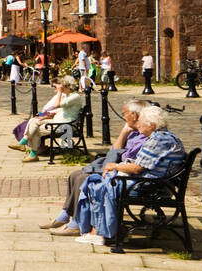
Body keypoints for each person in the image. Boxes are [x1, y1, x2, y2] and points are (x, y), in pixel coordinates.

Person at [75, 105, 186, 246]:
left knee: (98, 185)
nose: (138, 124)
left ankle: (100, 233)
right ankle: (111, 230)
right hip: (155, 183)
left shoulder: (158, 140)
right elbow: (141, 164)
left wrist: (115, 166)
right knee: (99, 181)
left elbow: (137, 168)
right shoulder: (163, 137)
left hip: (149, 187)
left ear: (151, 125)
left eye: (140, 121)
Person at [42, 100, 148, 235]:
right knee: (75, 174)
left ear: (133, 115)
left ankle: (76, 224)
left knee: (83, 178)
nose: (123, 116)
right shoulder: (133, 131)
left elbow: (117, 157)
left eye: (124, 113)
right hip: (115, 167)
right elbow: (113, 151)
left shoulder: (143, 135)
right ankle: (64, 216)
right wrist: (124, 131)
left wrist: (114, 162)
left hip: (121, 172)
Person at [12, 75, 83, 162]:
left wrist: (60, 92)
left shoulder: (74, 97)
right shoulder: (69, 95)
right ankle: (22, 143)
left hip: (64, 125)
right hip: (58, 121)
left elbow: (57, 105)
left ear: (68, 86)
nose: (61, 88)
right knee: (34, 120)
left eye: (63, 86)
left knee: (36, 131)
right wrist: (46, 116)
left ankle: (33, 154)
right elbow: (60, 109)